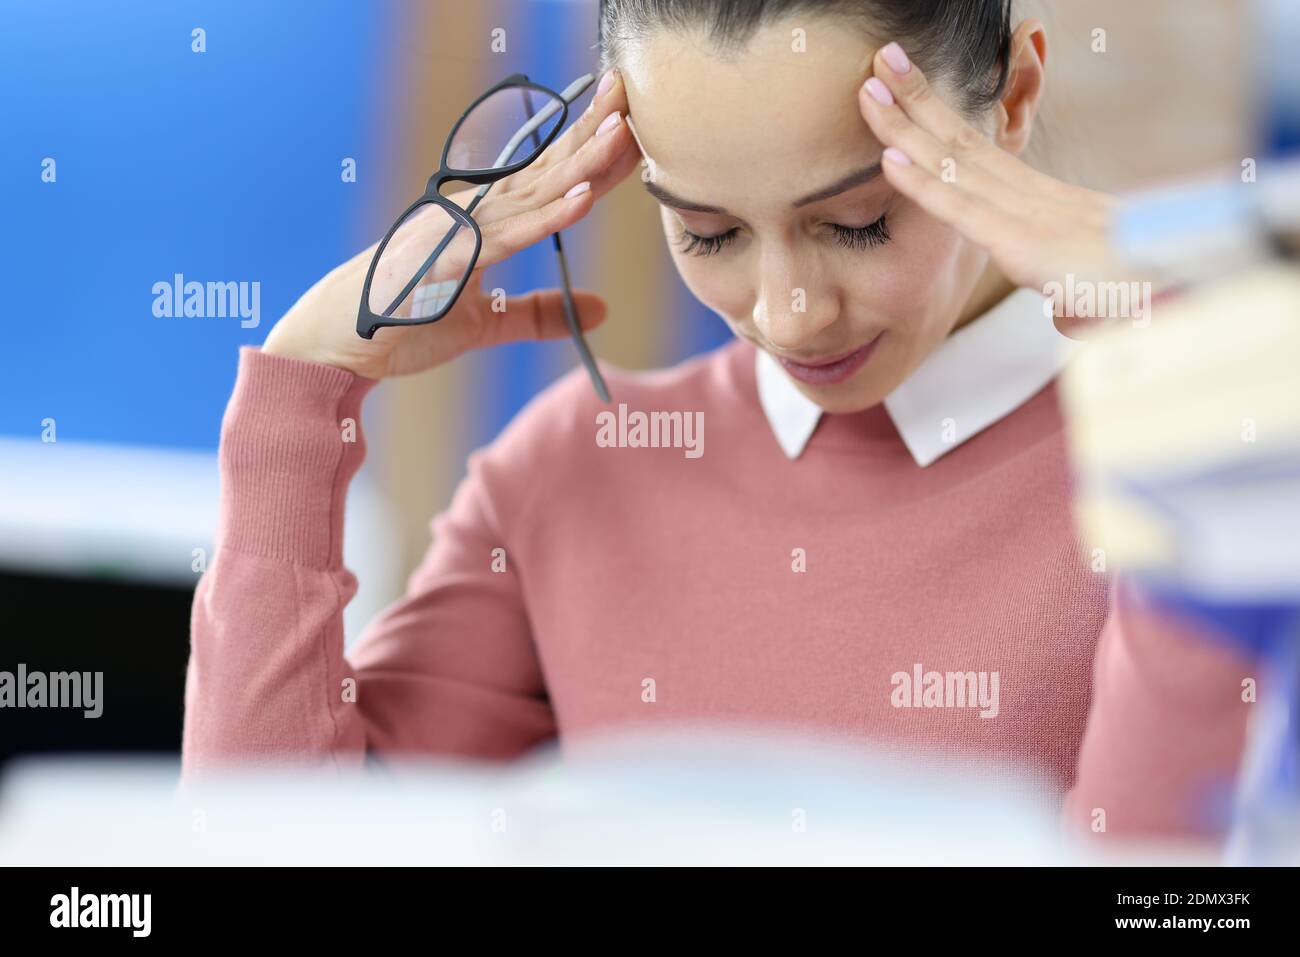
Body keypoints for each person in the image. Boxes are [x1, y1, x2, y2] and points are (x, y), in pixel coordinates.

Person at [183, 0, 1252, 842]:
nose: (788, 312)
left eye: (857, 222)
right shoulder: (574, 469)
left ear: (1012, 99)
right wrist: (300, 390)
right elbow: (273, 849)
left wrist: (1183, 365)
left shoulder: (1191, 460)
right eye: (707, 234)